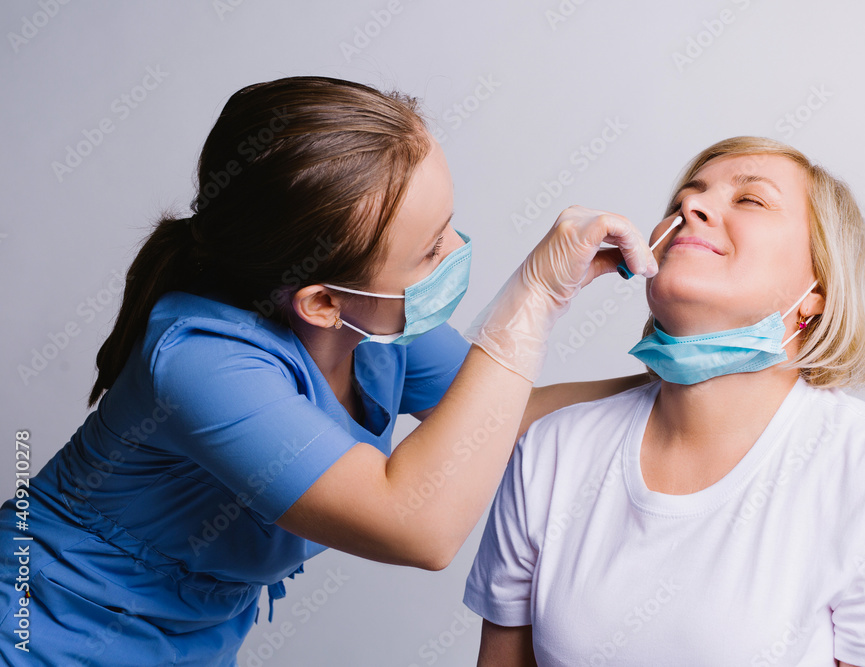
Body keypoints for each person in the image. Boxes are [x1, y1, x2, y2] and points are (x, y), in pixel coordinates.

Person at [0, 76, 660, 665]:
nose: (457, 253)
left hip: (183, 642)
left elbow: (498, 420)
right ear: (320, 301)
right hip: (37, 632)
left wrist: (668, 376)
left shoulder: (376, 325)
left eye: (450, 228)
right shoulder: (201, 361)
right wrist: (533, 298)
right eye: (430, 250)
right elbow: (418, 525)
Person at [464, 136, 865, 666]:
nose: (690, 206)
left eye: (750, 199)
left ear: (818, 288)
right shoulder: (552, 451)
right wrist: (535, 290)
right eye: (681, 202)